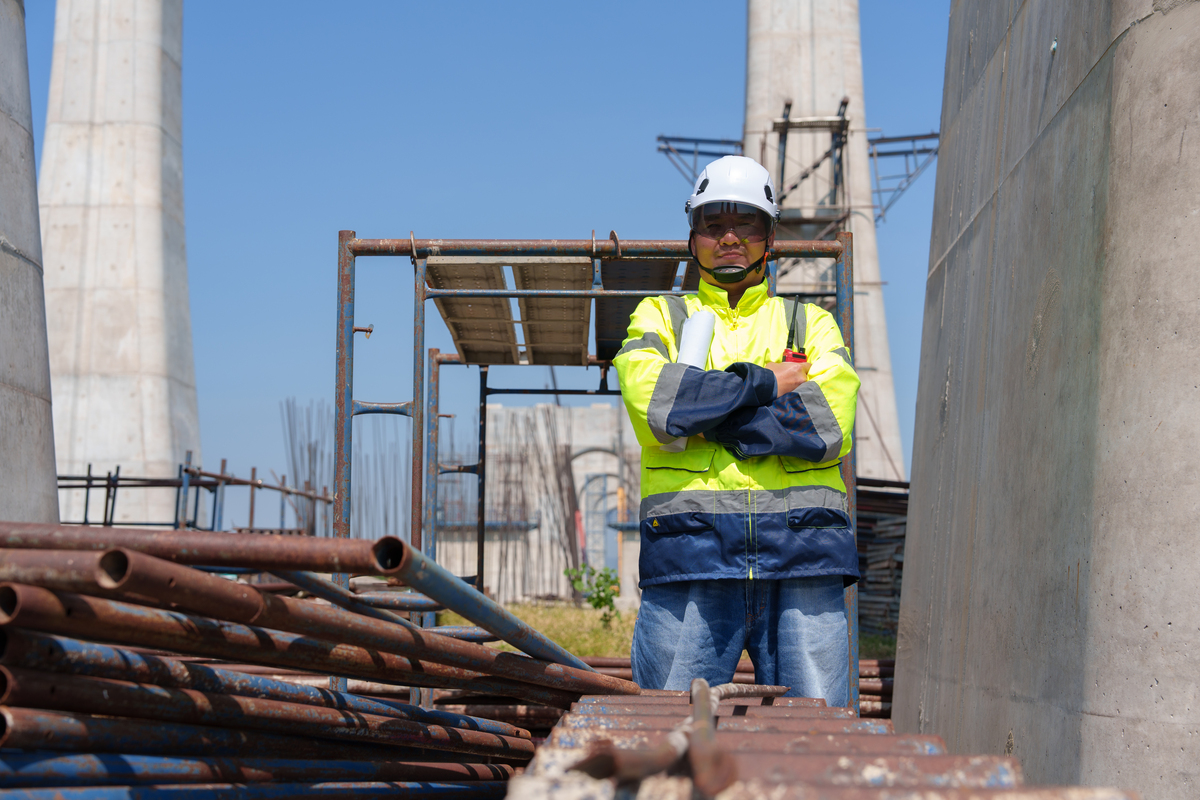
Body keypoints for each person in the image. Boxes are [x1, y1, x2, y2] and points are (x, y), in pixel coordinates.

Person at [612, 155, 860, 704]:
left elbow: (827, 426)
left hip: (803, 557)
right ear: (693, 237)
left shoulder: (811, 322)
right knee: (668, 737)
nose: (729, 237)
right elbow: (660, 409)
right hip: (691, 555)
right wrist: (768, 383)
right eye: (713, 224)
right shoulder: (658, 316)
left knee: (815, 743)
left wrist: (710, 414)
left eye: (745, 223)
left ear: (768, 236)